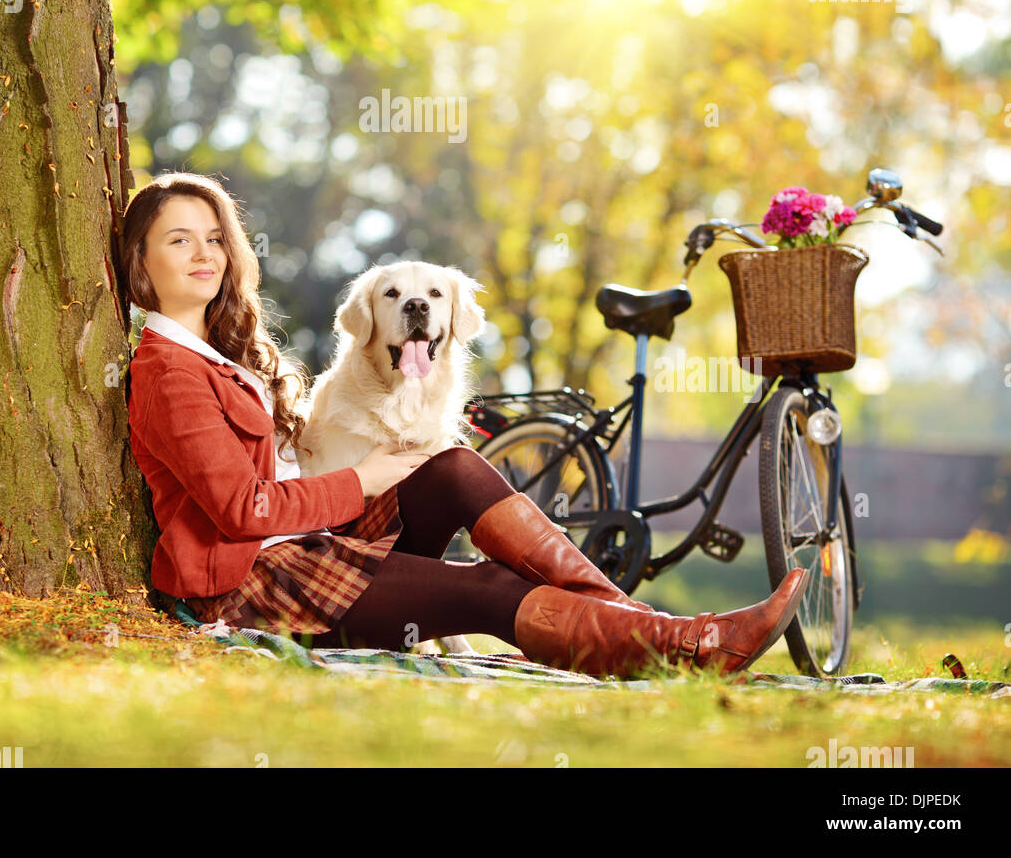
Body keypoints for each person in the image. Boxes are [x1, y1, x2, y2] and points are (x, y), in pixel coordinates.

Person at [119, 170, 807, 679]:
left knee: (449, 467)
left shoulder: (217, 355)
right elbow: (244, 508)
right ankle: (683, 647)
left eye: (214, 237)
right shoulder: (168, 370)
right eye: (179, 240)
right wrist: (364, 479)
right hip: (255, 591)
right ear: (141, 263)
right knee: (489, 589)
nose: (204, 252)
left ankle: (660, 633)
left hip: (308, 549)